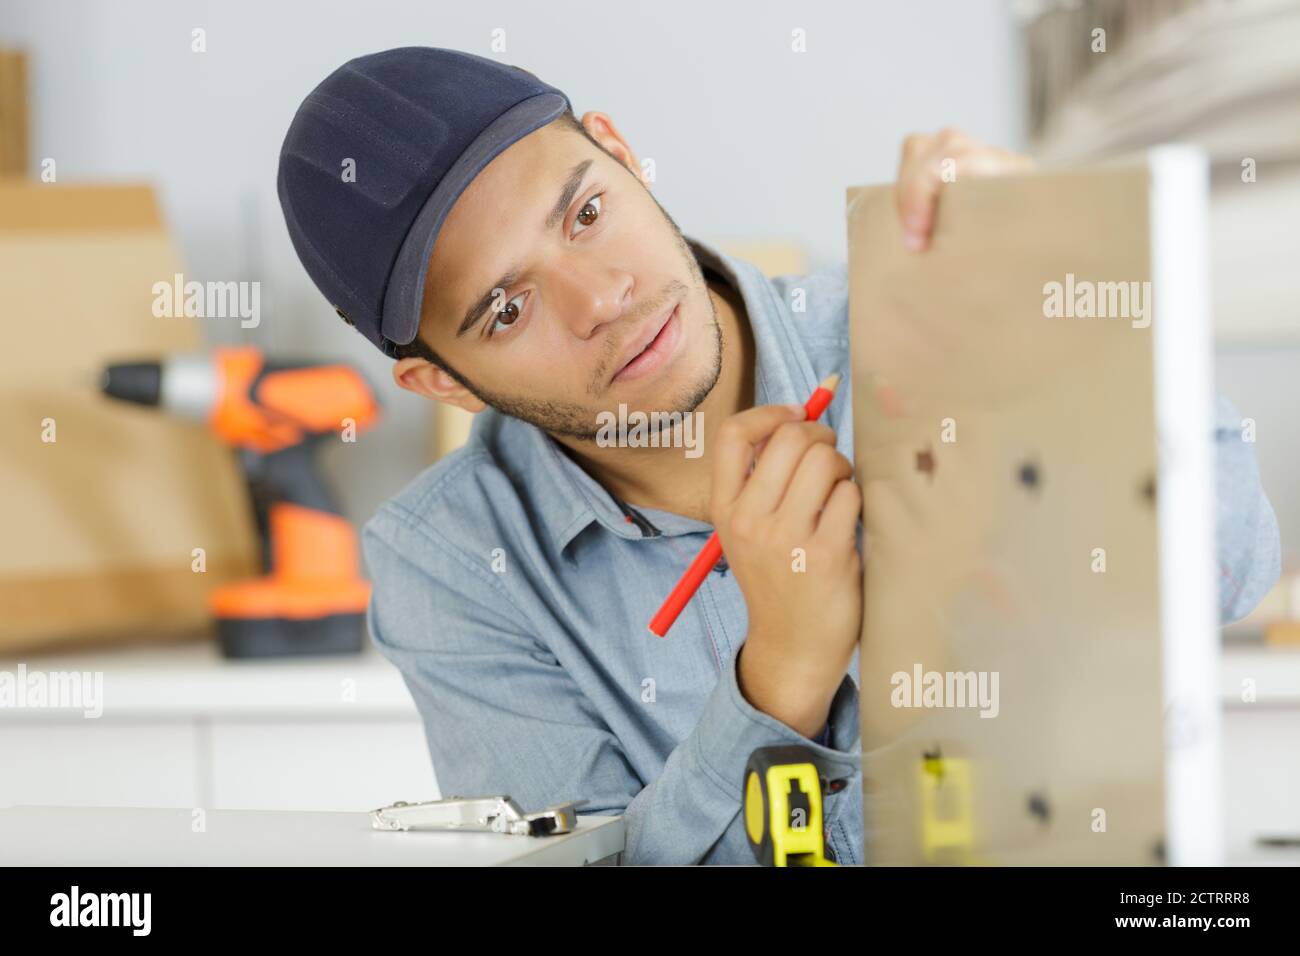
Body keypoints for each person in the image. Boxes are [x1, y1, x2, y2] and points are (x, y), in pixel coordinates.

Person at [277, 47, 1281, 864]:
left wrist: (1073, 305)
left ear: (621, 151)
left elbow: (1231, 567)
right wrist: (781, 674)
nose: (600, 299)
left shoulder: (920, 322)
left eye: (585, 213)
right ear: (440, 382)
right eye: (506, 308)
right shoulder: (449, 561)